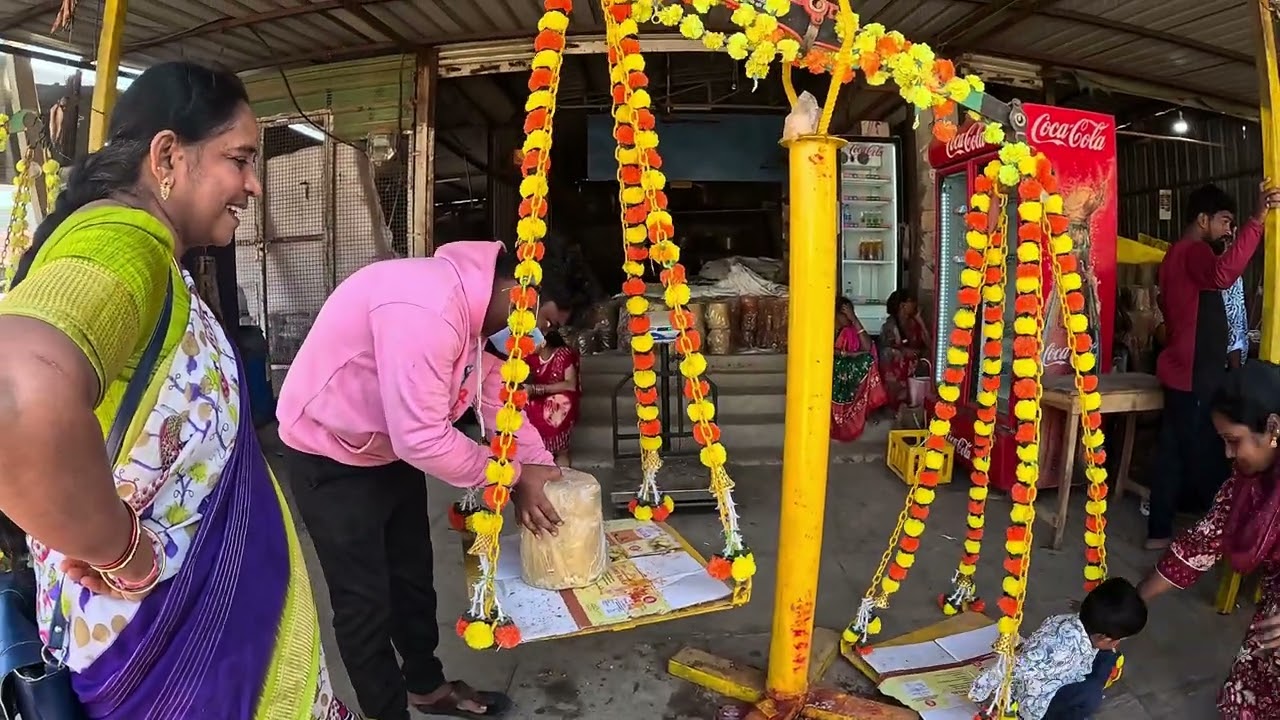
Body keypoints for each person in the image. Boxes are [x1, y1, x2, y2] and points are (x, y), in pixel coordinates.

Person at [0, 62, 356, 718]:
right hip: (171, 656)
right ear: (167, 155)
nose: (252, 185)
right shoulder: (119, 244)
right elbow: (14, 396)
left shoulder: (151, 256)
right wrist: (123, 550)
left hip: (189, 646)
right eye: (239, 159)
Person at [276, 240, 571, 720]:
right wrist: (515, 478)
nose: (541, 340)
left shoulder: (489, 328)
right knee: (364, 602)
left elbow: (500, 404)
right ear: (520, 291)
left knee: (412, 580)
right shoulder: (428, 307)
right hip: (330, 453)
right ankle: (386, 712)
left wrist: (540, 469)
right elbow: (422, 438)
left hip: (387, 449)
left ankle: (427, 688)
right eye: (548, 324)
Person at [1137, 360, 1280, 717]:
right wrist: (1133, 603)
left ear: (1273, 428)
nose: (1229, 455)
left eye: (1235, 441)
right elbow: (1202, 543)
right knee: (1254, 678)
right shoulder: (1247, 482)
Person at [1147, 183, 1280, 549]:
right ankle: (1219, 538)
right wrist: (1258, 221)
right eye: (1224, 221)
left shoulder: (1174, 254)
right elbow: (1225, 275)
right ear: (1202, 220)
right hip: (1194, 373)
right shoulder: (1194, 252)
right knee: (1208, 454)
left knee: (1171, 452)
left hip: (1179, 369)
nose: (1227, 230)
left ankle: (1158, 531)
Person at [969, 578, 1147, 720]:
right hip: (1039, 703)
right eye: (1118, 640)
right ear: (1102, 637)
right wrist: (980, 690)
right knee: (1090, 695)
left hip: (1066, 672)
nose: (1118, 643)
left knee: (1107, 657)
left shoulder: (1078, 622)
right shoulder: (1059, 649)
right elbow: (1014, 667)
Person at [832, 297, 887, 441]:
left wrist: (855, 320)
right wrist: (849, 354)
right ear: (837, 314)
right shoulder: (828, 328)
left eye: (851, 312)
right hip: (831, 367)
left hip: (847, 368)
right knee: (865, 363)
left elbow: (867, 347)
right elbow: (825, 350)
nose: (848, 317)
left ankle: (868, 409)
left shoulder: (850, 329)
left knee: (867, 361)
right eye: (846, 313)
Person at [525, 330, 581, 466]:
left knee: (554, 406)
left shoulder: (563, 355)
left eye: (530, 341)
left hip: (563, 395)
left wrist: (538, 389)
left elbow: (570, 384)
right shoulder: (530, 358)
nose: (525, 344)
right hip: (540, 397)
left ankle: (562, 460)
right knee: (526, 406)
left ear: (543, 342)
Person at [879, 288, 931, 410]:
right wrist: (904, 351)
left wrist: (921, 321)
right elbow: (887, 349)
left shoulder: (915, 323)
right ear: (902, 305)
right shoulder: (890, 325)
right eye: (911, 301)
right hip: (898, 372)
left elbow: (930, 344)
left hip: (915, 370)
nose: (915, 304)